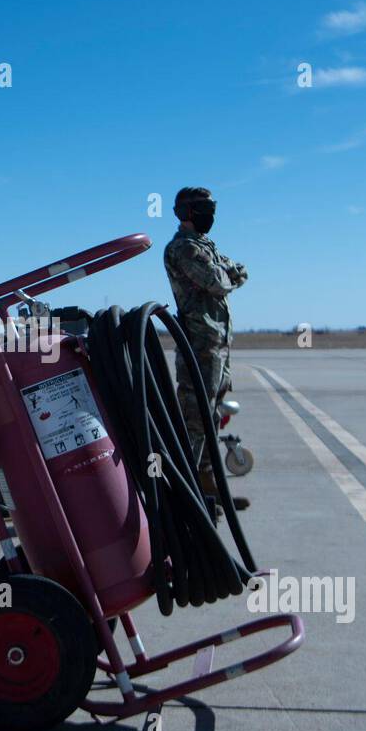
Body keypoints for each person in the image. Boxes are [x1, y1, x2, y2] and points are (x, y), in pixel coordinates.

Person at [162, 186, 249, 508]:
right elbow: (218, 282)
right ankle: (185, 496)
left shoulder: (204, 246)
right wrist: (230, 274)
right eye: (202, 209)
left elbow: (229, 272)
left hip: (216, 344)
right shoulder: (183, 249)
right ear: (186, 213)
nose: (209, 215)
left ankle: (208, 485)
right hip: (199, 344)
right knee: (195, 418)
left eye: (210, 208)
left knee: (211, 416)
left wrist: (228, 273)